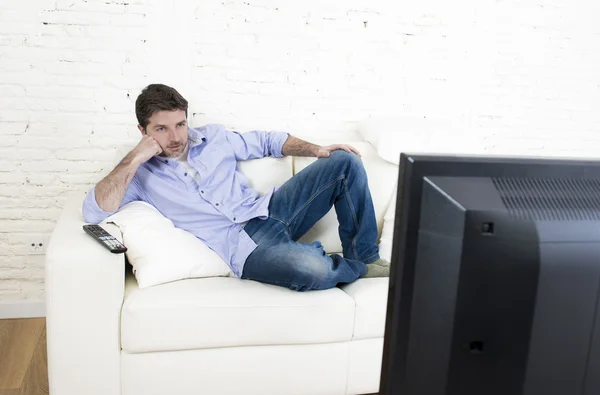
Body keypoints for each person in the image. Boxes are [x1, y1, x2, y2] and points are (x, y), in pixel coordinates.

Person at [82, 84, 389, 291]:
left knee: (343, 161)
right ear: (143, 131)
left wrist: (316, 150)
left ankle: (365, 256)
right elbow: (94, 211)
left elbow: (269, 141)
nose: (175, 137)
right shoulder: (139, 175)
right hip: (243, 249)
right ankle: (353, 269)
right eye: (161, 129)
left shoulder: (215, 137)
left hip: (270, 211)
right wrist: (135, 157)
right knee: (312, 271)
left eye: (180, 124)